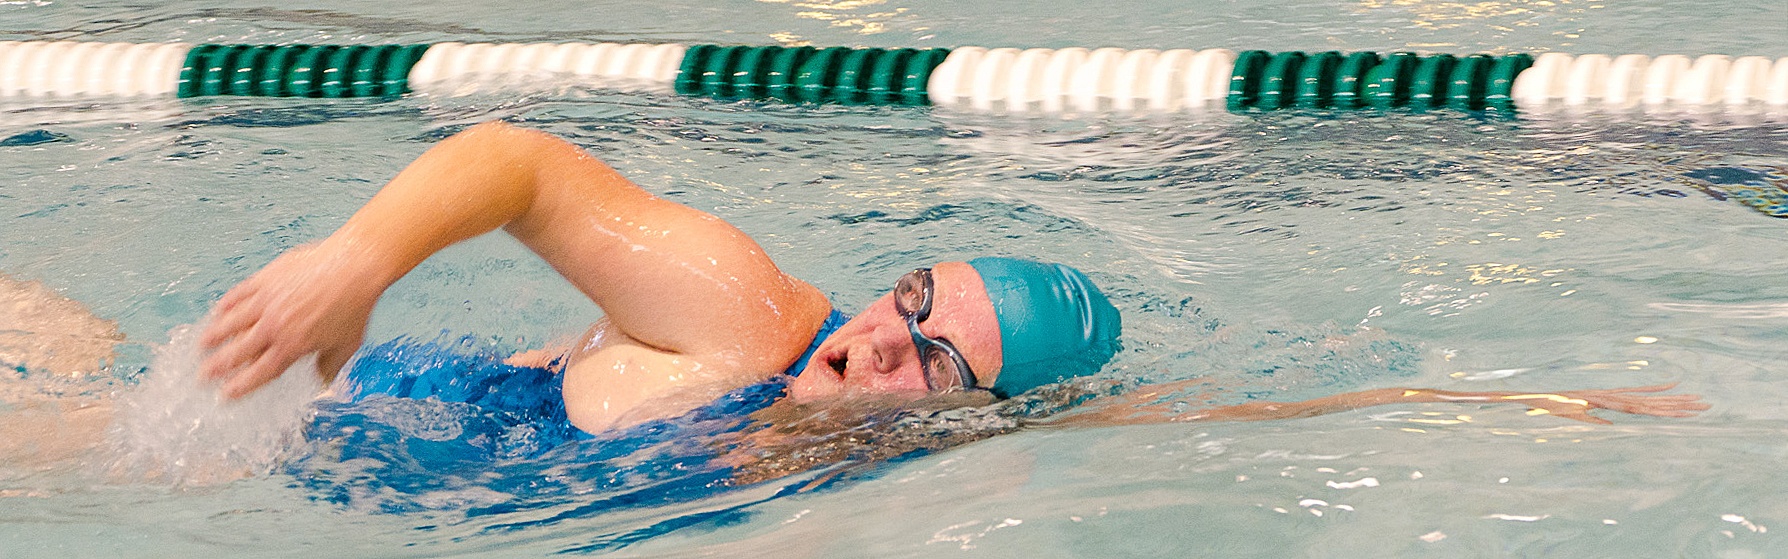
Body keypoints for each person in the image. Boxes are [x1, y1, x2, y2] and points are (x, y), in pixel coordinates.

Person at [192, 121, 1705, 441]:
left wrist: (1535, 398)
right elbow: (523, 164)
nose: (882, 342)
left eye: (939, 359)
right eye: (910, 298)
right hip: (297, 415)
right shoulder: (736, 312)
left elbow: (1238, 415)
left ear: (971, 419)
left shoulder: (902, 463)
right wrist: (356, 262)